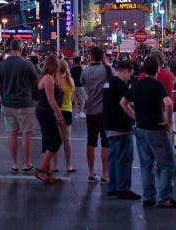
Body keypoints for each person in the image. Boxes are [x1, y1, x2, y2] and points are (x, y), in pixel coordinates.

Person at [132, 54, 176, 209]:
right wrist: (169, 121)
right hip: (156, 129)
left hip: (141, 128)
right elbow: (169, 103)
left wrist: (135, 116)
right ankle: (165, 197)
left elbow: (123, 102)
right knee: (167, 164)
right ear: (158, 68)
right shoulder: (158, 84)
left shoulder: (137, 83)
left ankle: (148, 196)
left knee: (146, 164)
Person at [0, 38, 38, 173]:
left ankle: (14, 164)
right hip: (25, 103)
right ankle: (27, 163)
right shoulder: (27, 64)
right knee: (26, 134)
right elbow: (37, 82)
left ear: (9, 49)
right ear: (21, 49)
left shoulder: (2, 65)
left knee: (12, 134)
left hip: (7, 103)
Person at [103, 60, 139, 200]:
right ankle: (123, 188)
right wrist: (135, 117)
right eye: (129, 74)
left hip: (109, 125)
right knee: (124, 158)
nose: (129, 77)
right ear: (124, 71)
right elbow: (125, 104)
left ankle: (113, 187)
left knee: (113, 157)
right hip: (121, 126)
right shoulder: (120, 84)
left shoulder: (108, 83)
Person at [81, 46, 112, 183]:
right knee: (106, 144)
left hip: (91, 111)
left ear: (91, 56)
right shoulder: (106, 70)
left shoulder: (85, 71)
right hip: (105, 111)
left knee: (91, 142)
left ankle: (91, 173)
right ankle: (105, 174)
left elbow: (82, 83)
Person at [34, 55, 65, 184]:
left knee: (47, 141)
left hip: (44, 112)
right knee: (56, 141)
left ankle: (48, 172)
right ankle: (42, 170)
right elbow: (51, 99)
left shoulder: (48, 77)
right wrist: (60, 115)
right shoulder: (47, 78)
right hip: (45, 112)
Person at [52, 59, 76, 173]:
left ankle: (55, 165)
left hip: (56, 111)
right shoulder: (70, 80)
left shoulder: (55, 80)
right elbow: (71, 99)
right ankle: (69, 165)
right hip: (68, 111)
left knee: (56, 139)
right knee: (67, 140)